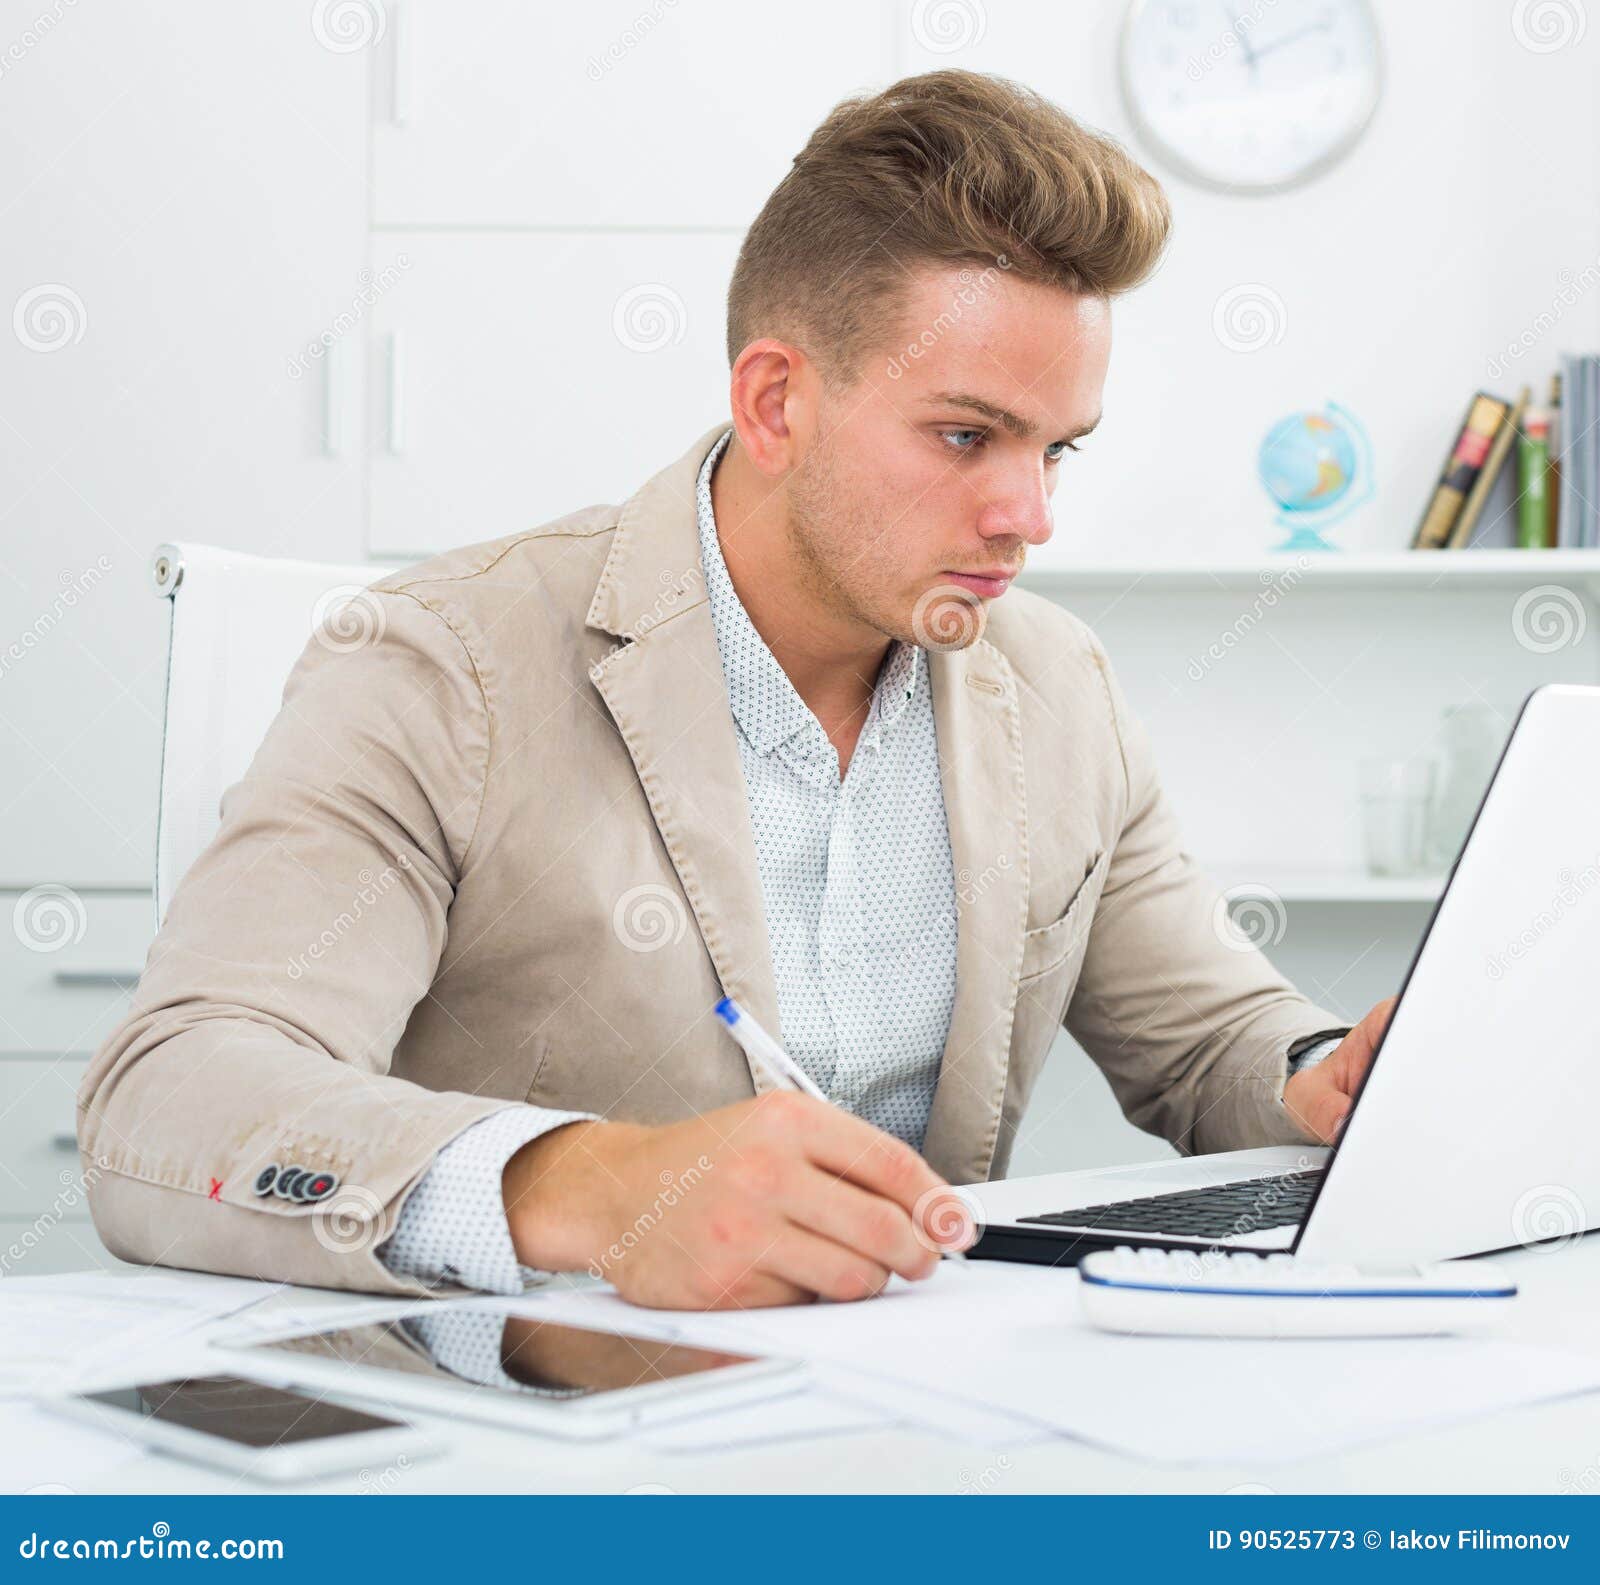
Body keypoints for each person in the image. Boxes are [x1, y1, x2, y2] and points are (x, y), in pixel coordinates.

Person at [80, 69, 1392, 1313]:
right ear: (775, 403)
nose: (1029, 512)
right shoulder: (443, 663)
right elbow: (173, 1097)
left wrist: (1322, 1075)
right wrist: (587, 1183)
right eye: (965, 435)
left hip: (906, 1422)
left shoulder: (1055, 684)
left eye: (1060, 450)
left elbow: (1210, 1036)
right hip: (526, 1420)